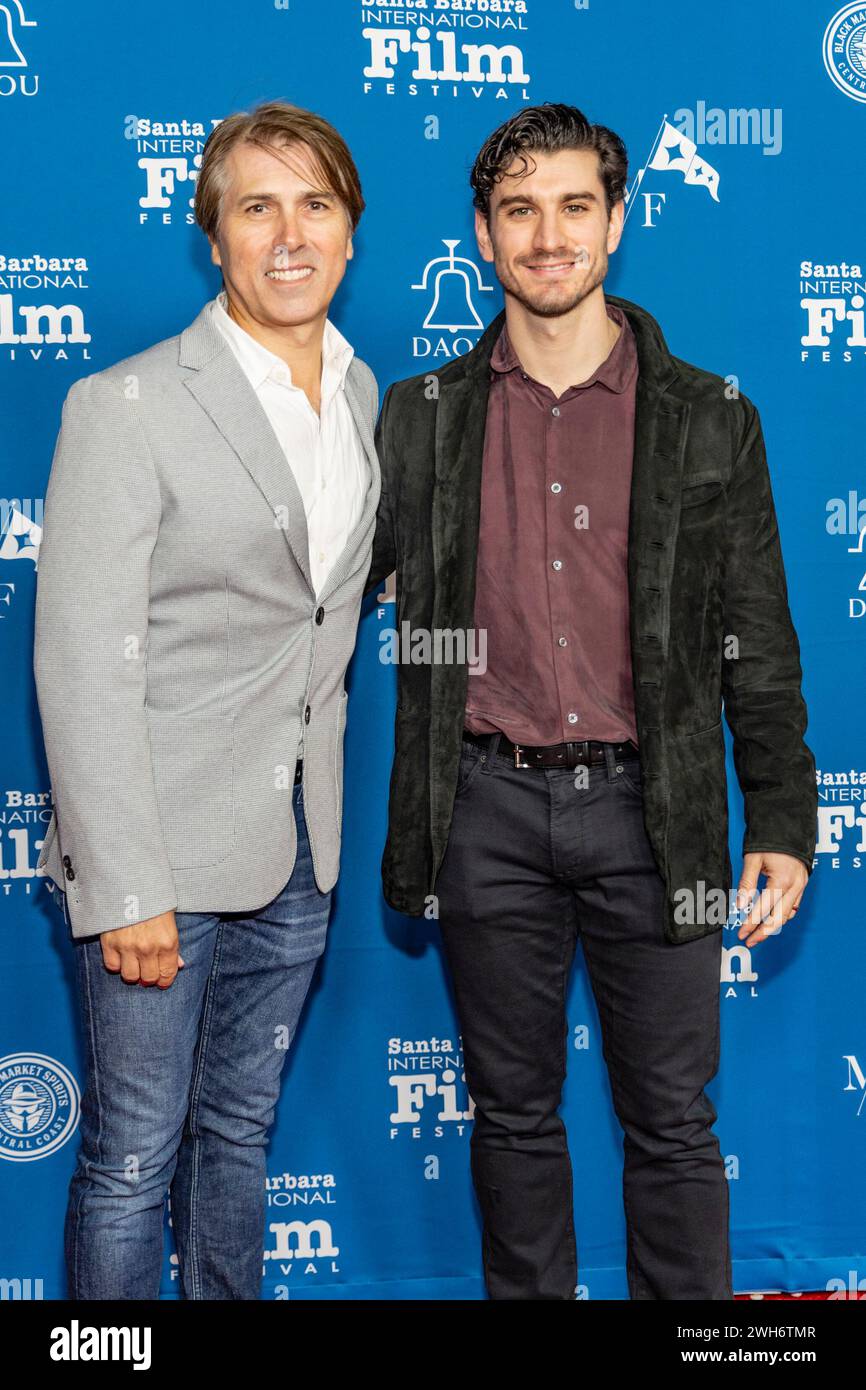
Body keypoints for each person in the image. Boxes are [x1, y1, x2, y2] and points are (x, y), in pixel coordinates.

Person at [365, 102, 817, 1300]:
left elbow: (757, 639)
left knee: (669, 1119)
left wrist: (777, 815)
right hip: (482, 813)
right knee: (511, 1118)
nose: (546, 235)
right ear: (482, 232)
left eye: (573, 206)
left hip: (650, 809)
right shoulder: (418, 420)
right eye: (519, 210)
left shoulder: (709, 418)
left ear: (617, 221)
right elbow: (311, 591)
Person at [33, 99, 379, 1300]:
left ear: (350, 231)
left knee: (237, 1143)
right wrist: (122, 881)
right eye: (255, 207)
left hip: (300, 852)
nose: (288, 235)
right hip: (159, 866)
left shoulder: (360, 395)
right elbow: (80, 658)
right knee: (132, 1161)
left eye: (315, 205)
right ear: (212, 235)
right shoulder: (124, 405)